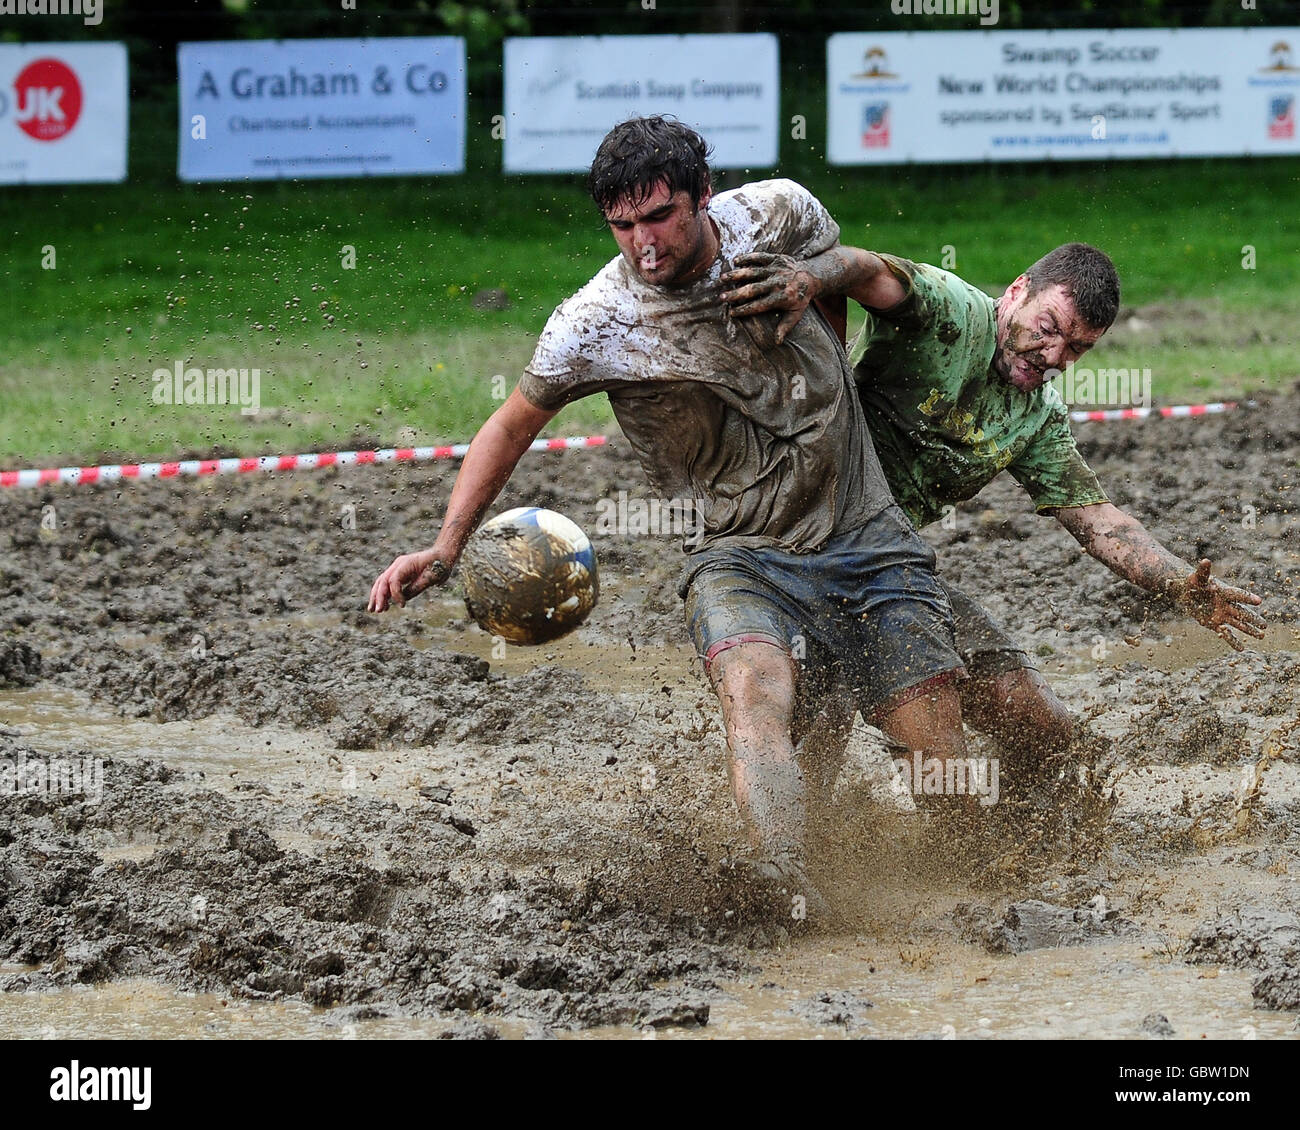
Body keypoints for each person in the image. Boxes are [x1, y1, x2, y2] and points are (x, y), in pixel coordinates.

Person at [368, 116, 975, 917]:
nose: (643, 244)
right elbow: (510, 426)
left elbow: (844, 271)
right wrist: (446, 548)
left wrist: (807, 289)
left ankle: (963, 884)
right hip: (737, 552)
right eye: (622, 226)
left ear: (703, 197)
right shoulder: (596, 321)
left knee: (936, 741)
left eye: (659, 217)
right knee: (754, 691)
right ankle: (783, 884)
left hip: (864, 532)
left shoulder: (779, 212)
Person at [716, 241, 1266, 798]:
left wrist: (1177, 582)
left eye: (1077, 348)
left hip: (890, 573)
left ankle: (1023, 837)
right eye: (1049, 328)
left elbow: (1098, 521)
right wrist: (807, 278)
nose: (1054, 355)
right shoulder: (949, 310)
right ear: (1018, 291)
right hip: (794, 547)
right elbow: (868, 270)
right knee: (812, 766)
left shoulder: (1036, 418)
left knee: (1041, 724)